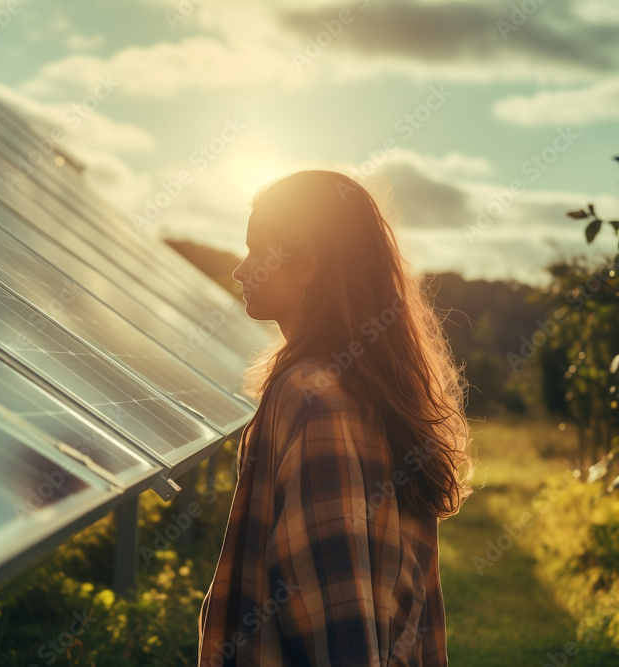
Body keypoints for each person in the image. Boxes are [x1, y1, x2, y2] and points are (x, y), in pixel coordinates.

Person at [197, 170, 476, 666]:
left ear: (306, 265)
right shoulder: (377, 390)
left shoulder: (310, 397)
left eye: (259, 251)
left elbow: (335, 602)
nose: (241, 271)